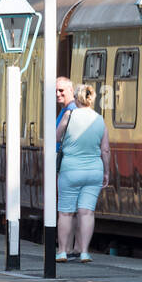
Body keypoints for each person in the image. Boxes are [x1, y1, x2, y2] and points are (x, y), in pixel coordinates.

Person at [55, 84, 108, 262]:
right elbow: (105, 150)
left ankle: (62, 251)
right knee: (86, 213)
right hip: (94, 171)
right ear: (92, 99)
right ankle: (84, 251)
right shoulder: (99, 119)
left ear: (76, 98)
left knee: (65, 213)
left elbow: (56, 137)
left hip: (70, 170)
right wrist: (106, 172)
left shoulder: (69, 116)